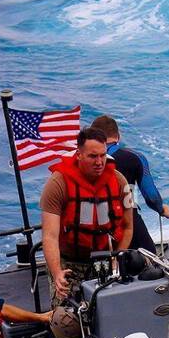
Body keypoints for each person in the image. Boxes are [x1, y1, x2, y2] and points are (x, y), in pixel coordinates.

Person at [39, 126, 136, 305]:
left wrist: (117, 257)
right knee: (66, 320)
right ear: (79, 155)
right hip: (70, 263)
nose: (99, 162)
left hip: (107, 259)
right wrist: (57, 272)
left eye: (103, 155)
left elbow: (128, 227)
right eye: (93, 156)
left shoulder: (120, 181)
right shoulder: (57, 184)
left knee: (110, 310)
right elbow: (50, 236)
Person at [90, 115, 169, 254]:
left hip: (90, 227)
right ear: (118, 136)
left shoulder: (83, 159)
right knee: (149, 259)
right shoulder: (134, 157)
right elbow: (151, 197)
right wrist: (161, 209)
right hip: (126, 222)